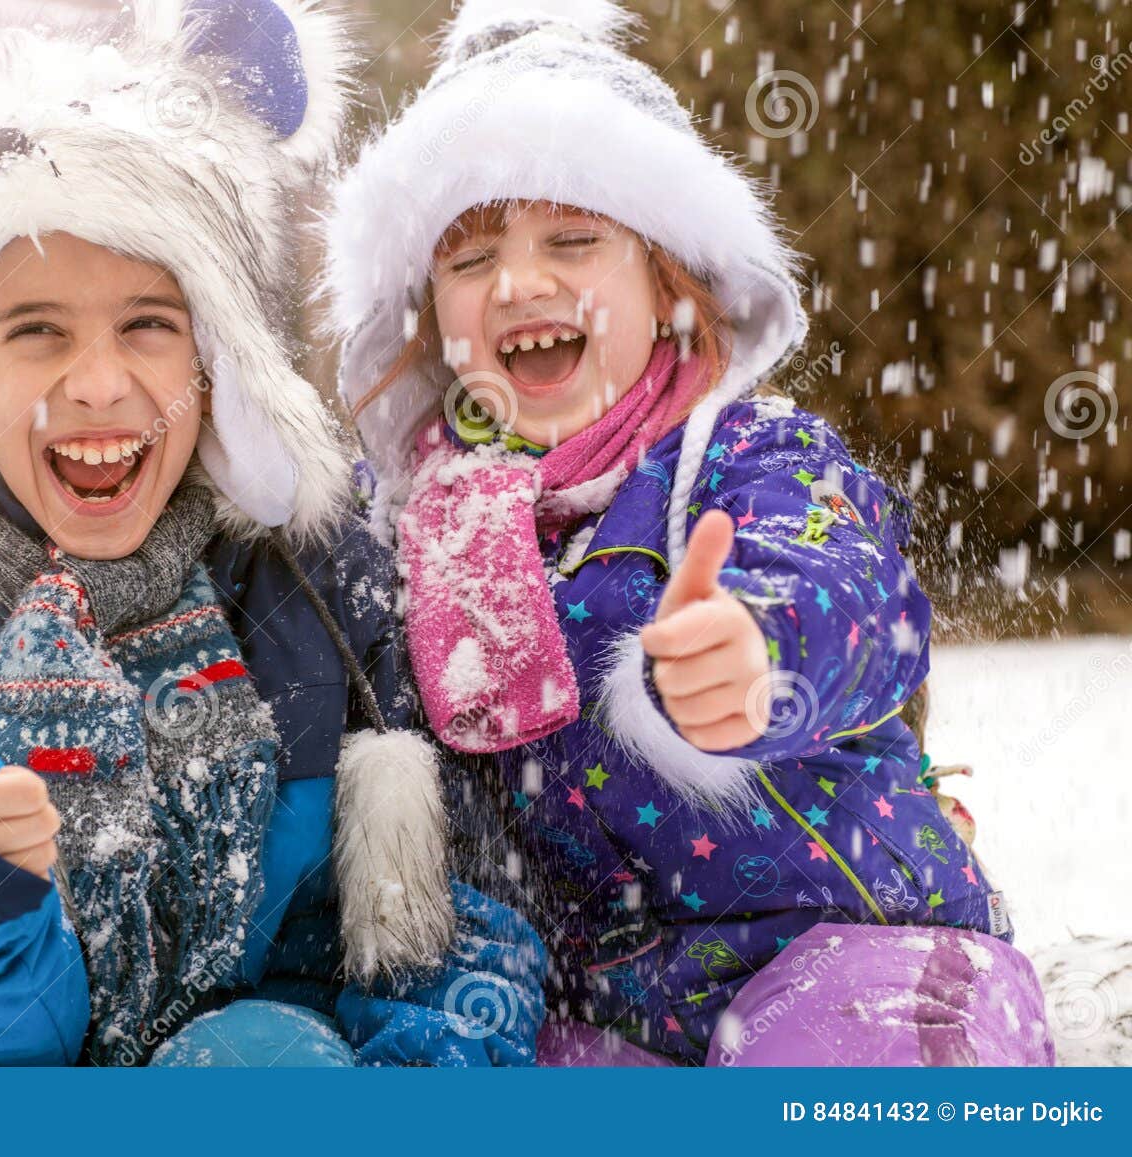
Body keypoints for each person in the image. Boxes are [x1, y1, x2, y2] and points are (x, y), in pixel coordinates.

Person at [0, 1, 544, 1068]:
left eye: (147, 322)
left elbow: (467, 939)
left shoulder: (325, 591)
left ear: (216, 361)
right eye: (35, 330)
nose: (98, 383)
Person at [315, 0, 1052, 1067]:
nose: (519, 282)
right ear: (428, 314)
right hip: (600, 1018)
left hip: (853, 951)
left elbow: (856, 591)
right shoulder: (406, 525)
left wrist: (759, 646)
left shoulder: (748, 455)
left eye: (574, 239)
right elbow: (277, 602)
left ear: (667, 284)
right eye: (469, 261)